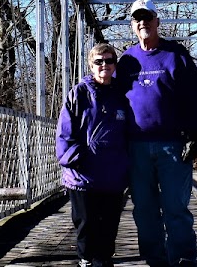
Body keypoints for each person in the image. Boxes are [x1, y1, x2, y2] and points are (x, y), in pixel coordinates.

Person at [117, 0, 197, 267]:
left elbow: (196, 96)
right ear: (132, 26)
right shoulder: (126, 61)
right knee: (144, 211)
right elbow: (111, 98)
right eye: (137, 18)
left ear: (157, 21)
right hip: (136, 148)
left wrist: (195, 134)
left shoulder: (175, 55)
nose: (143, 22)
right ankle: (154, 261)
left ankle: (182, 261)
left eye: (148, 17)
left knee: (175, 209)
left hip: (172, 145)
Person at [56, 43, 131, 267]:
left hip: (113, 176)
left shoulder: (123, 94)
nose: (104, 65)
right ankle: (86, 261)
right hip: (83, 177)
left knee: (109, 230)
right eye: (98, 61)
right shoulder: (78, 94)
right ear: (91, 65)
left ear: (115, 65)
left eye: (109, 61)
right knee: (86, 227)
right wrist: (80, 159)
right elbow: (64, 134)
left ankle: (104, 262)